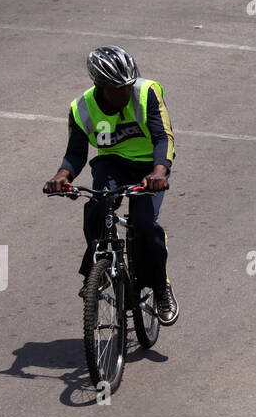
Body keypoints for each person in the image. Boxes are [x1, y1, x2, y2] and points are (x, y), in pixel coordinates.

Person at [43, 46, 179, 325]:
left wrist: (159, 172)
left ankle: (160, 287)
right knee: (98, 204)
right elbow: (76, 153)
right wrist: (62, 175)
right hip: (112, 163)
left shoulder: (147, 93)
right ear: (99, 85)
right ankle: (97, 271)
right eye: (117, 89)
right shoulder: (81, 108)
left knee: (144, 225)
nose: (124, 93)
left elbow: (163, 136)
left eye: (127, 86)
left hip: (149, 167)